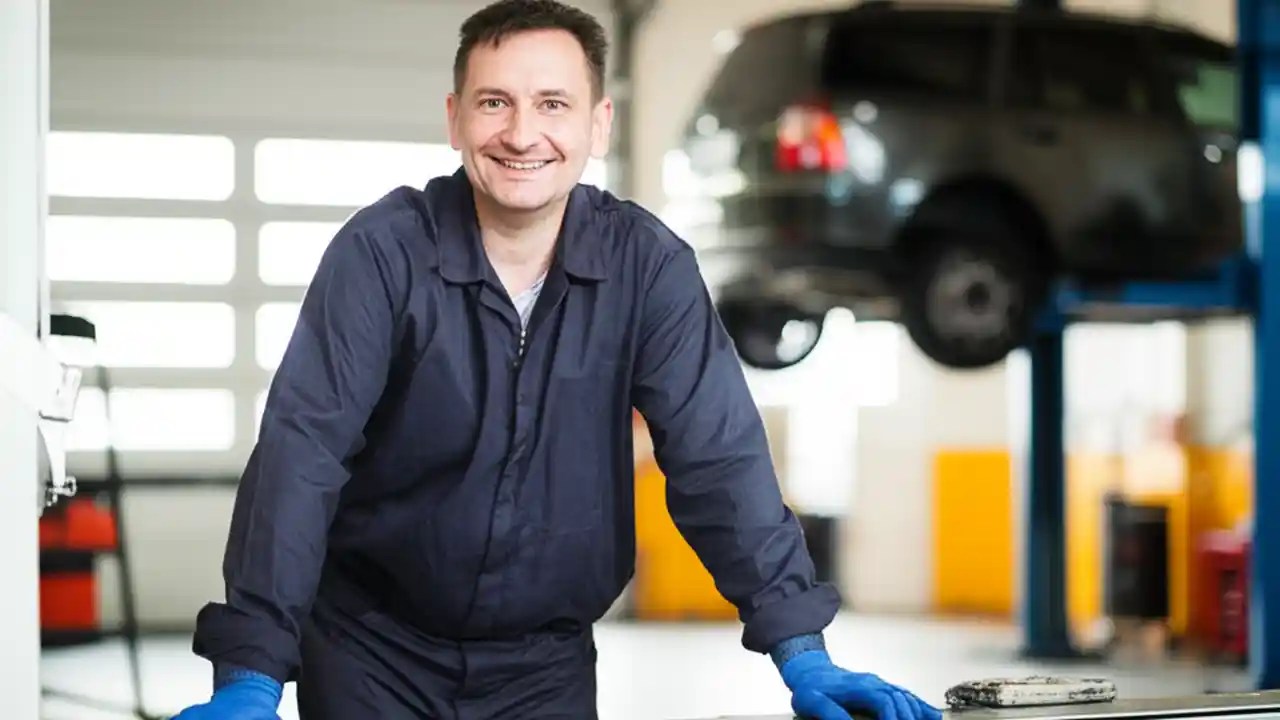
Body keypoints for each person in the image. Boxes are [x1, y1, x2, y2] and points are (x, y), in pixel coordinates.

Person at [173, 1, 942, 719]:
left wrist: (802, 652)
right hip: (369, 653)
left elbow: (718, 457)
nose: (522, 134)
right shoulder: (383, 255)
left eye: (552, 104)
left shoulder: (647, 270)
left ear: (599, 123)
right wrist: (251, 674)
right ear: (454, 118)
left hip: (542, 668)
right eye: (494, 102)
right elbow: (302, 454)